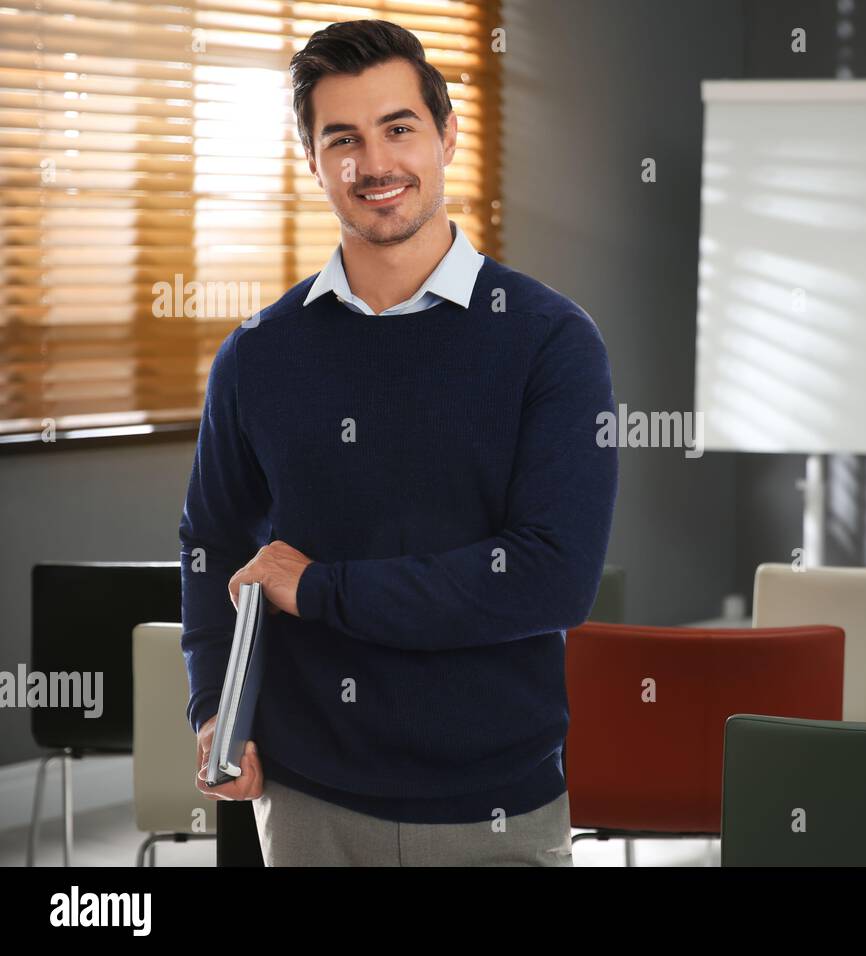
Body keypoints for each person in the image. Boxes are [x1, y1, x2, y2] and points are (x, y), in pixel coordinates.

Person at [181, 18, 618, 866]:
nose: (374, 165)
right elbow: (211, 545)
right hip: (307, 802)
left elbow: (552, 578)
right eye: (341, 138)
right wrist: (214, 708)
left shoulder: (551, 341)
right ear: (311, 160)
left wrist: (322, 592)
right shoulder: (258, 354)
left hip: (494, 804)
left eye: (399, 128)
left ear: (448, 136)